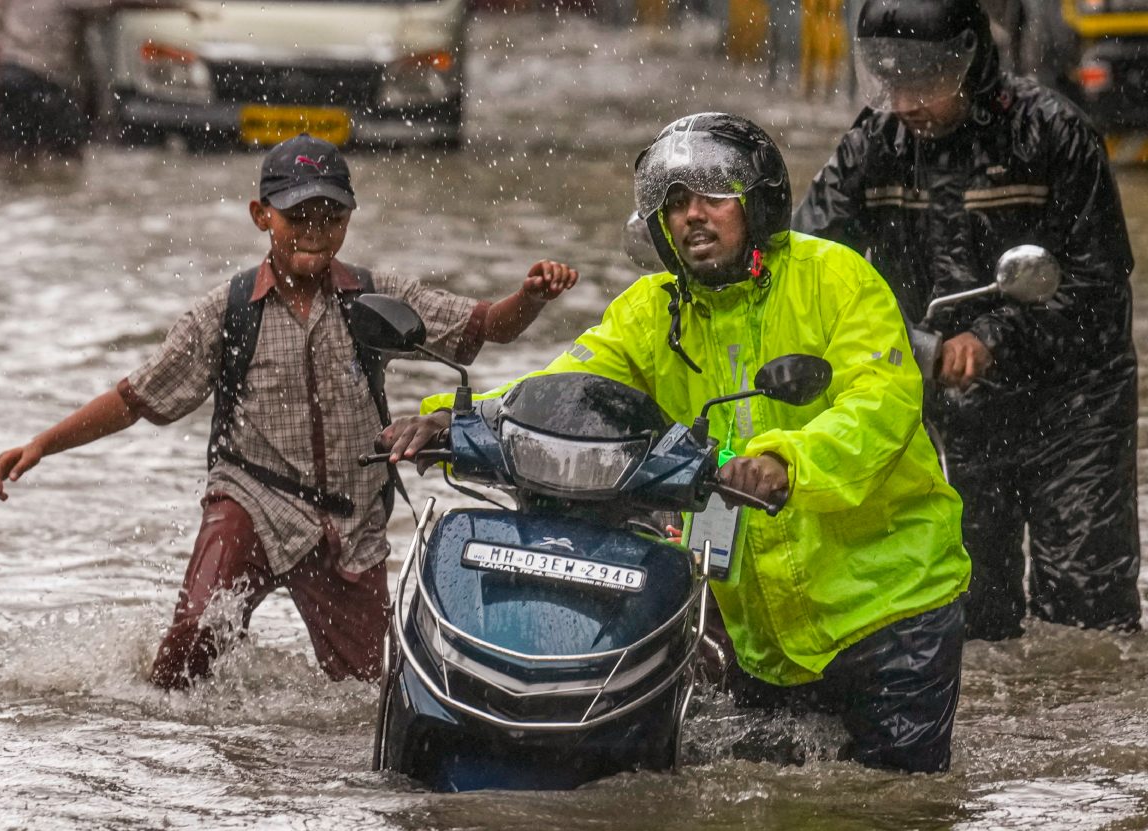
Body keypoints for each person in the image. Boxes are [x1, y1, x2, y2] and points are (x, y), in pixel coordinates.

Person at [380, 113, 972, 774]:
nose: (693, 215)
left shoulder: (837, 278)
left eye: (713, 197)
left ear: (757, 203)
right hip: (763, 630)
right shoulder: (648, 311)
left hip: (889, 614)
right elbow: (563, 391)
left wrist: (784, 463)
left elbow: (879, 404)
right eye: (675, 202)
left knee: (896, 821)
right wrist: (451, 421)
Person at [0, 133, 579, 689]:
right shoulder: (227, 312)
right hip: (252, 499)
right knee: (188, 649)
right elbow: (137, 397)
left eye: (331, 218)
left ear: (349, 219)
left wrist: (528, 298)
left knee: (371, 691)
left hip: (347, 522)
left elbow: (482, 329)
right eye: (298, 218)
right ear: (261, 216)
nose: (315, 233)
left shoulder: (375, 297)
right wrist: (43, 443)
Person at [793, 0, 1141, 641]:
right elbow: (808, 262)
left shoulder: (1055, 133)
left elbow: (1098, 282)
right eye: (889, 80)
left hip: (1076, 406)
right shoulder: (874, 143)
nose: (905, 101)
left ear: (972, 62)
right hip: (961, 412)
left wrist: (992, 337)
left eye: (924, 80)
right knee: (975, 613)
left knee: (1088, 618)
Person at [0, 0, 188, 166]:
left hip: (9, 77)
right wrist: (175, 5)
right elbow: (118, 2)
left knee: (8, 164)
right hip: (46, 82)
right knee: (66, 165)